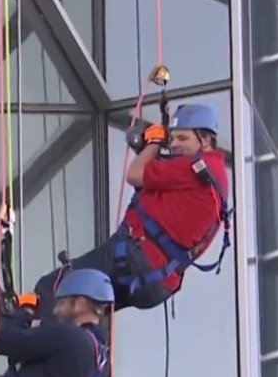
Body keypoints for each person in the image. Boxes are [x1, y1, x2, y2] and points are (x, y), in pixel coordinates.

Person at [32, 103, 231, 319]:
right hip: (155, 279)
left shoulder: (195, 166)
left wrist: (154, 143)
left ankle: (23, 331)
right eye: (172, 139)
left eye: (182, 138)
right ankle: (74, 346)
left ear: (205, 140)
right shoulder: (214, 177)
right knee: (84, 313)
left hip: (135, 259)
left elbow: (134, 174)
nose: (174, 145)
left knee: (53, 288)